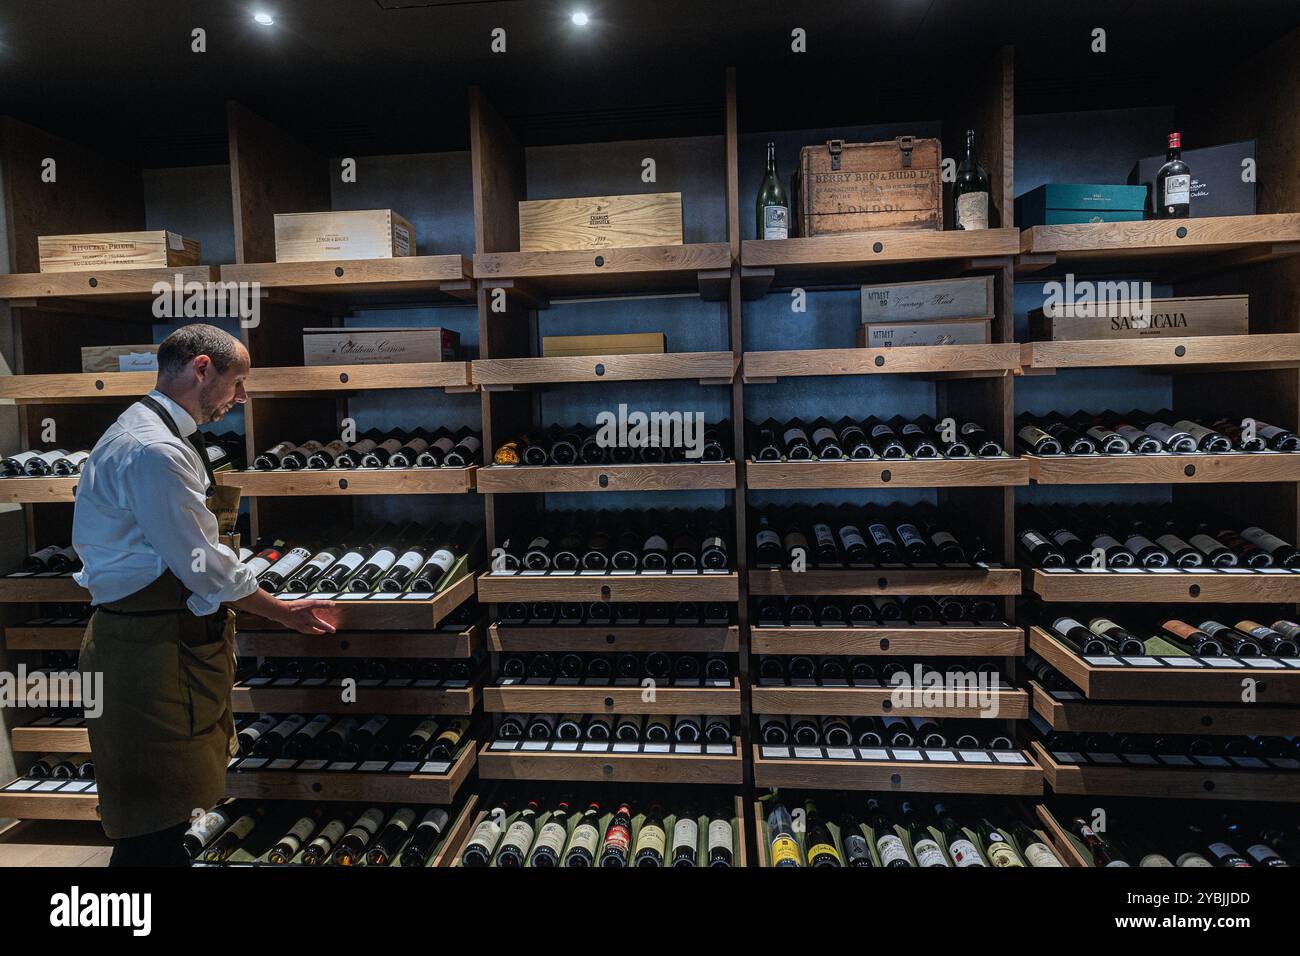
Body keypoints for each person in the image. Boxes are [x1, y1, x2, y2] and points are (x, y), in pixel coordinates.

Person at [72, 323, 336, 866]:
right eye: (238, 382)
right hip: (151, 655)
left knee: (167, 813)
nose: (242, 397)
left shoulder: (152, 431)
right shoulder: (155, 451)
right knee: (153, 826)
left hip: (161, 644)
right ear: (201, 369)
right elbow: (204, 568)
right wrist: (282, 612)